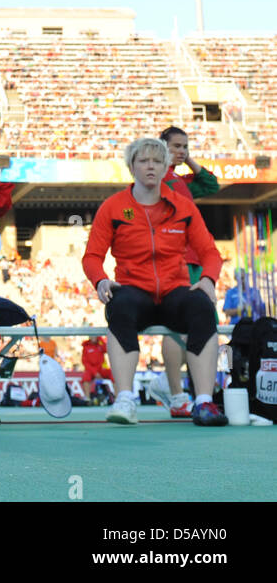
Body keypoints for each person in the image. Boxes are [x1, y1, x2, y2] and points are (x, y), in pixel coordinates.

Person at [82, 137, 227, 426]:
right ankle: (124, 400)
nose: (151, 166)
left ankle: (203, 402)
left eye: (157, 161)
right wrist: (100, 281)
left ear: (165, 168)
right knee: (119, 306)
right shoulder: (113, 208)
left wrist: (209, 279)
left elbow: (210, 252)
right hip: (135, 291)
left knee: (201, 306)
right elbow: (92, 257)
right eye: (144, 161)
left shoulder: (183, 207)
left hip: (175, 290)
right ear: (132, 166)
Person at [153, 126, 221, 414]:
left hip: (192, 257)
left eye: (185, 146)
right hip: (176, 257)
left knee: (195, 323)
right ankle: (176, 391)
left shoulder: (178, 180)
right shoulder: (160, 179)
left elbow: (211, 185)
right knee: (178, 324)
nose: (181, 151)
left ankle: (178, 388)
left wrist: (189, 160)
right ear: (161, 148)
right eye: (176, 146)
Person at [80, 336, 113, 402]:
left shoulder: (100, 345)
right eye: (92, 336)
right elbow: (85, 362)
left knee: (113, 374)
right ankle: (87, 398)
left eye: (95, 335)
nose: (94, 337)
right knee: (85, 376)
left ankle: (118, 397)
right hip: (91, 370)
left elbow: (107, 350)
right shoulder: (86, 347)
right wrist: (95, 373)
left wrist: (101, 340)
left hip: (101, 369)